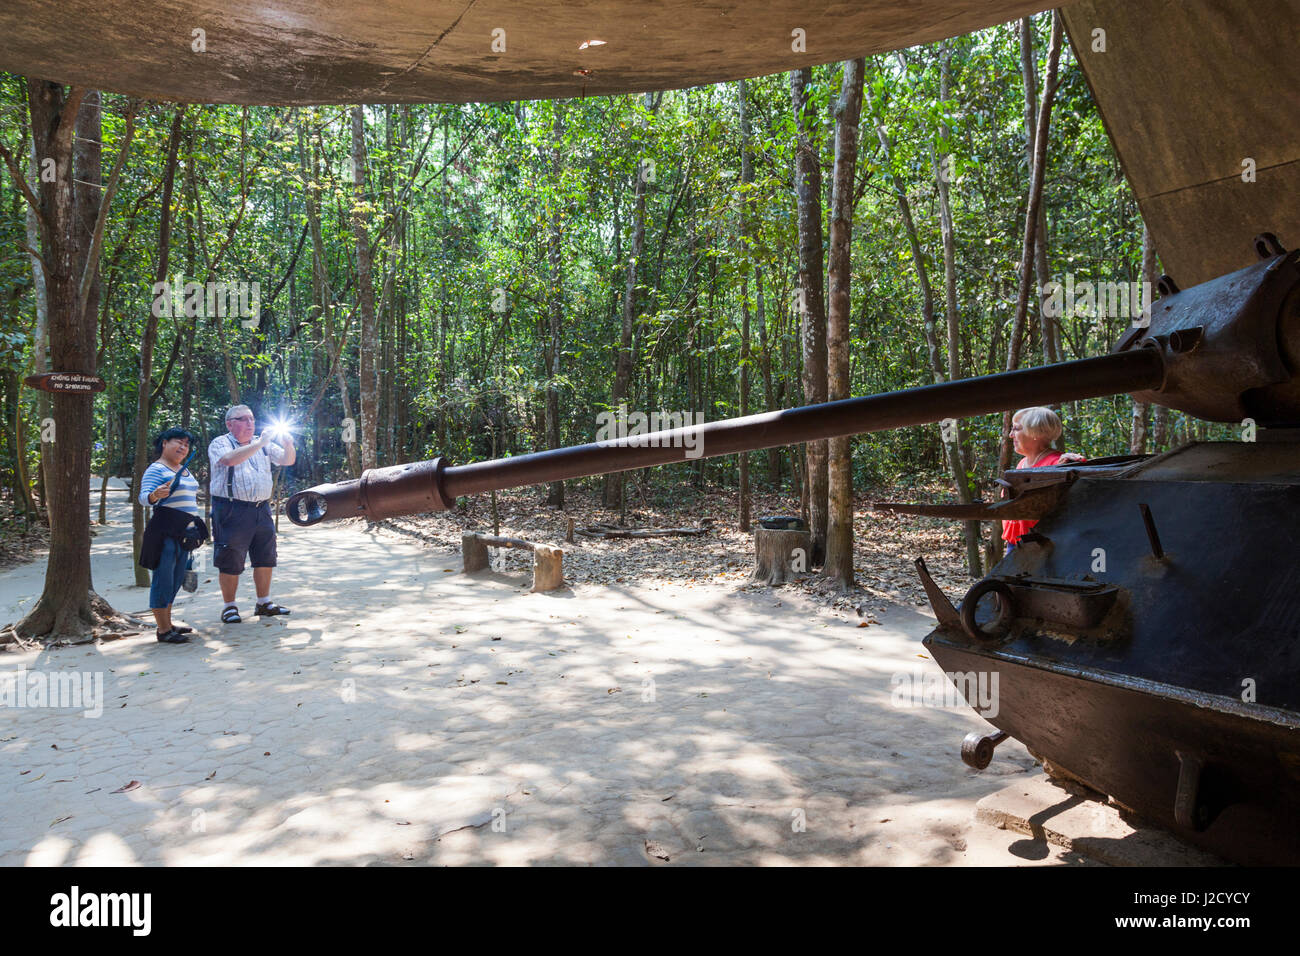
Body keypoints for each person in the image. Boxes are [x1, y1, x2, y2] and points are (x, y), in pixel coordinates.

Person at [208, 404, 296, 623]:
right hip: (231, 509)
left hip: (261, 508)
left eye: (252, 419)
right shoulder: (220, 443)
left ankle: (263, 602)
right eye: (243, 419)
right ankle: (229, 607)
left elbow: (287, 460)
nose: (250, 423)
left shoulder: (262, 444)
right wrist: (261, 443)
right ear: (230, 424)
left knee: (265, 556)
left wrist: (288, 444)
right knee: (230, 557)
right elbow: (229, 460)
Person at [138, 427, 208, 643]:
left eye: (186, 444)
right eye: (178, 442)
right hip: (165, 532)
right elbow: (143, 497)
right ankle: (163, 630)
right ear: (164, 443)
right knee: (163, 578)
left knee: (177, 578)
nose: (183, 447)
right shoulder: (156, 469)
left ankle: (168, 624)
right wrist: (154, 495)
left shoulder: (184, 470)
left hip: (184, 533)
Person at [1001, 406, 1086, 555]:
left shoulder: (1058, 463)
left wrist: (1074, 464)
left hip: (1044, 547)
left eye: (1016, 429)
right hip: (1017, 543)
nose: (1010, 435)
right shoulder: (1022, 463)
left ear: (1035, 433)